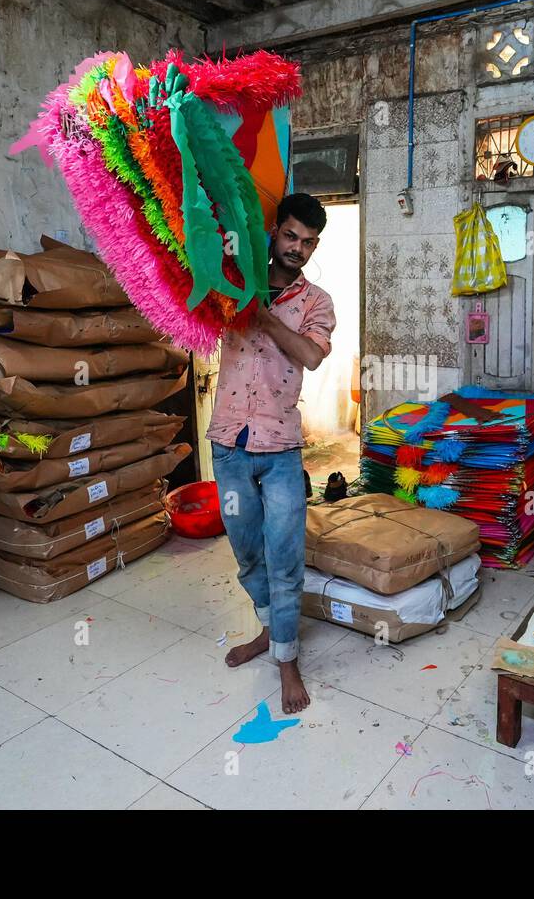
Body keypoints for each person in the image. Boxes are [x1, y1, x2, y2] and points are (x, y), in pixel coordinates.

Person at [207, 193, 336, 714]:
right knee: (247, 555)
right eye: (290, 236)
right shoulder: (235, 283)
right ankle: (269, 631)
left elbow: (311, 354)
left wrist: (262, 317)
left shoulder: (317, 301)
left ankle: (287, 660)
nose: (297, 248)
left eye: (307, 242)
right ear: (273, 232)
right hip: (228, 443)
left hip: (281, 447)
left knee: (284, 561)